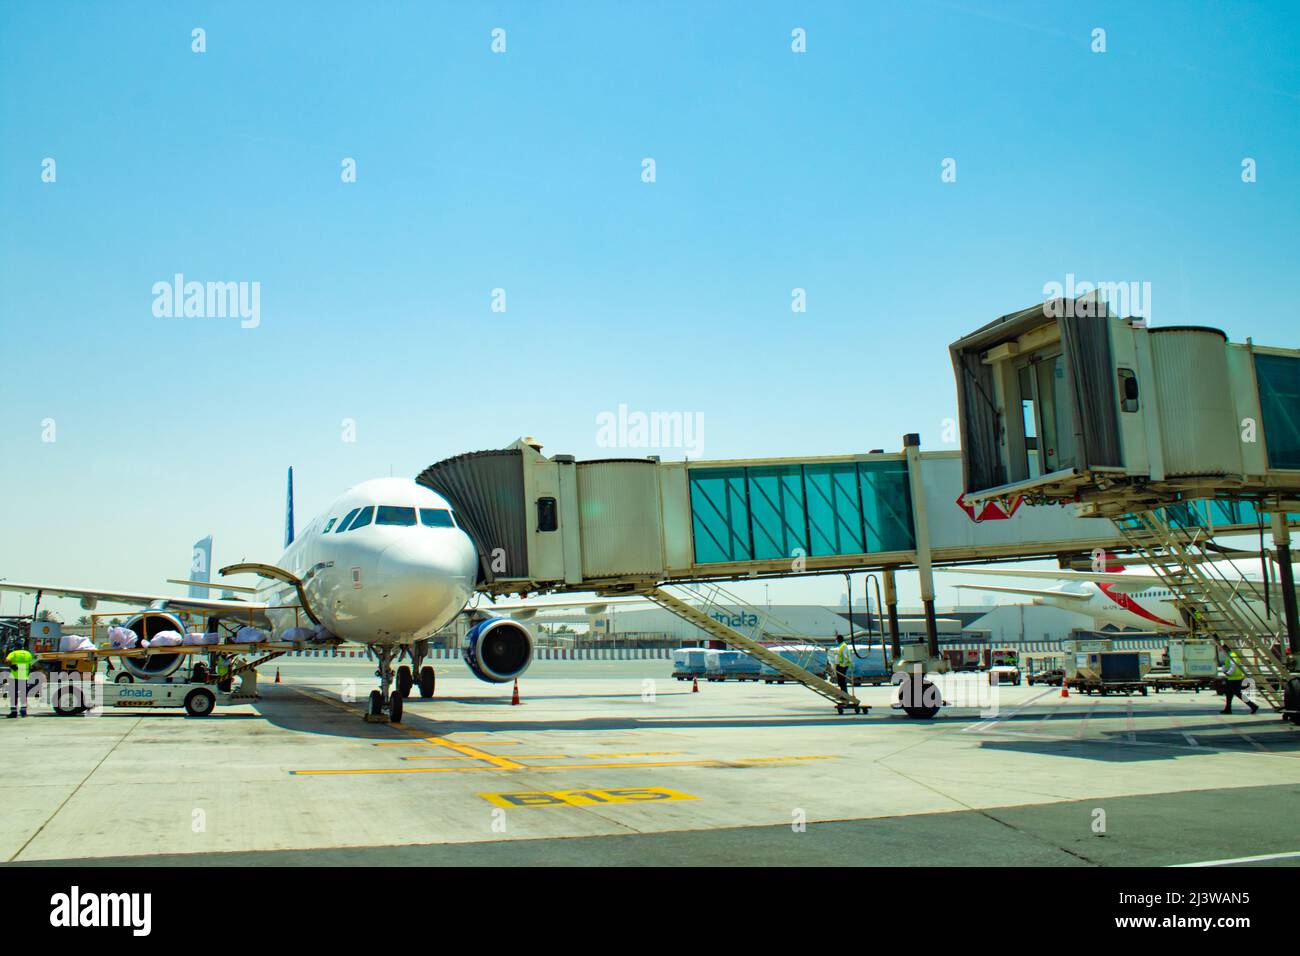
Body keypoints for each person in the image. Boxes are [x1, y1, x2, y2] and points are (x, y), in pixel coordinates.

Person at [1220, 649, 1258, 715]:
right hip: (1233, 678)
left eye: (1223, 649)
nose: (1222, 651)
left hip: (1234, 678)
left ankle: (1253, 706)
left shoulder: (1232, 655)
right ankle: (1227, 709)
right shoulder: (1233, 655)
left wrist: (1229, 673)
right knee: (1229, 694)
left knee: (1238, 694)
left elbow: (1233, 665)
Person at [5, 640, 36, 718]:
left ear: (15, 647)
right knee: (23, 695)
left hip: (14, 677)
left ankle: (13, 712)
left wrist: (12, 665)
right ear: (22, 647)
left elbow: (7, 661)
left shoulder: (13, 653)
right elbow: (31, 664)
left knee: (13, 695)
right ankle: (23, 712)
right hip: (24, 677)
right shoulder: (28, 654)